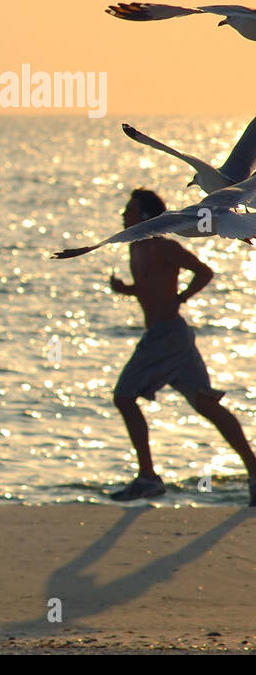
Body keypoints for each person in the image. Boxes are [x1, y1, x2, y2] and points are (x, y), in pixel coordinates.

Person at [107, 188, 256, 505]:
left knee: (123, 397)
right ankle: (254, 472)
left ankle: (148, 477)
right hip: (170, 337)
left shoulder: (166, 248)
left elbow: (205, 271)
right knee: (205, 403)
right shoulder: (135, 248)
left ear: (146, 217)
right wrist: (129, 291)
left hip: (167, 336)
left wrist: (181, 299)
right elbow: (151, 288)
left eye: (128, 210)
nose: (123, 215)